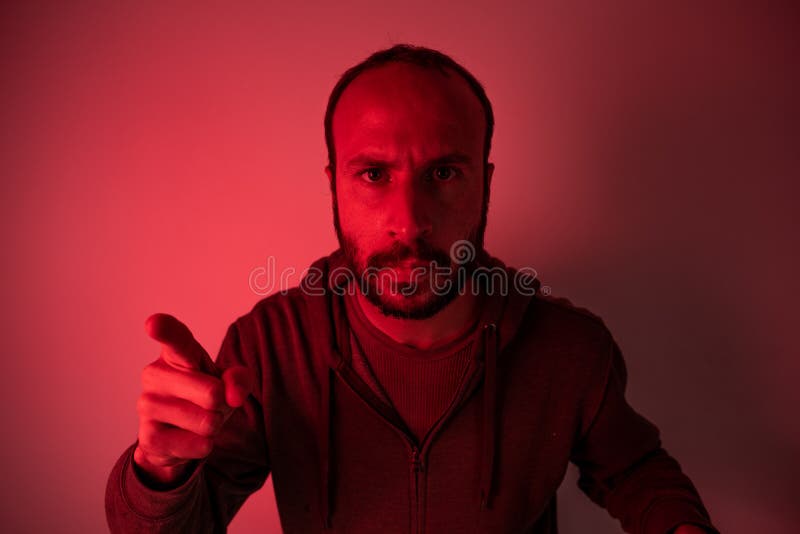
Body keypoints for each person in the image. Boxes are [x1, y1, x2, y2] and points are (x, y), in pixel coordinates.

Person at [105, 44, 720, 534]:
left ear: (485, 183)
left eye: (443, 173)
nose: (409, 221)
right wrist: (159, 472)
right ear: (334, 185)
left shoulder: (570, 347)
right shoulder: (270, 347)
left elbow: (637, 473)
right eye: (374, 174)